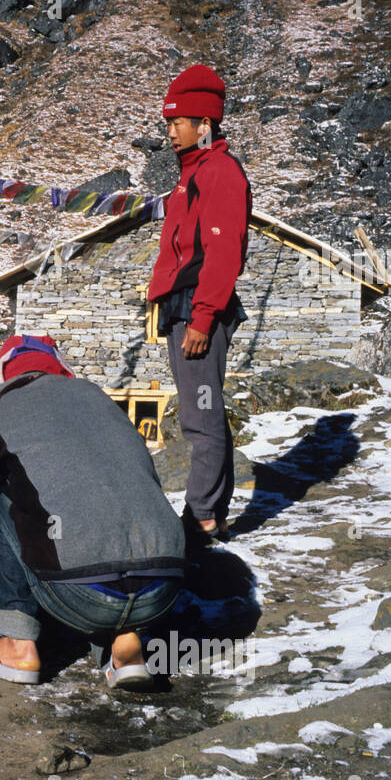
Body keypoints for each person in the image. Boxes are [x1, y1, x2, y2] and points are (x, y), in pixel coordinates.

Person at [0, 335, 187, 690]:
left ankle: (16, 643)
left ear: (0, 377)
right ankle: (126, 641)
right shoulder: (102, 402)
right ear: (62, 370)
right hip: (163, 589)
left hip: (81, 594)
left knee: (0, 497)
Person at [146, 64, 251, 542]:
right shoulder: (192, 176)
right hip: (185, 308)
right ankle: (208, 513)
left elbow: (224, 252)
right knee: (197, 412)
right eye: (168, 123)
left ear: (204, 124)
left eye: (178, 123)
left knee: (201, 415)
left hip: (198, 309)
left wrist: (203, 317)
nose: (170, 133)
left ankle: (203, 517)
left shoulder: (220, 173)